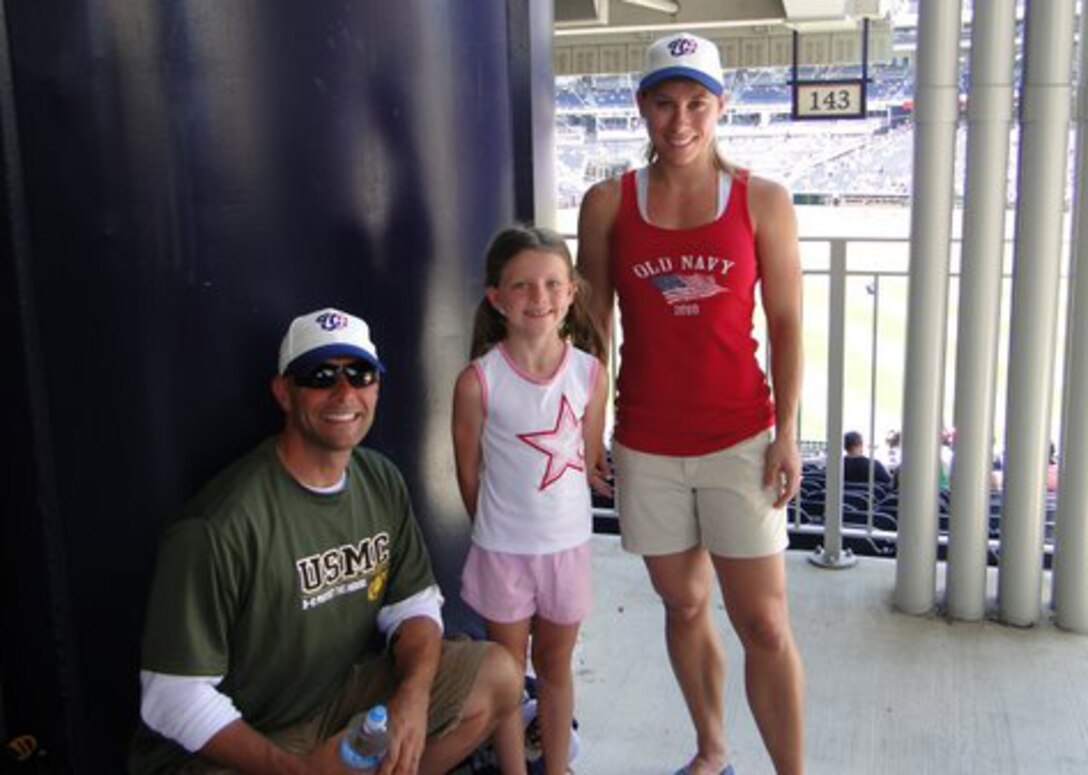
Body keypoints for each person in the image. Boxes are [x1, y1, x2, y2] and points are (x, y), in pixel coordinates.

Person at [129, 307, 523, 774]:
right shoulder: (219, 525)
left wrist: (412, 701)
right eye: (320, 376)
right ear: (284, 392)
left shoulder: (380, 479)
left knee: (498, 676)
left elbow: (413, 603)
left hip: (334, 704)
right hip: (244, 737)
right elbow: (172, 696)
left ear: (376, 386)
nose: (344, 393)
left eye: (360, 374)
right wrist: (296, 771)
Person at [576, 31, 805, 775]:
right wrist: (589, 422)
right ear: (642, 107)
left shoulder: (762, 200)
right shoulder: (607, 203)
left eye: (697, 104)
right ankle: (711, 750)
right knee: (681, 604)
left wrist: (788, 431)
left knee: (765, 622)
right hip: (647, 440)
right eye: (665, 103)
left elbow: (788, 320)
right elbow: (593, 325)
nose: (681, 121)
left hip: (741, 435)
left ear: (721, 107)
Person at [451, 225, 610, 775]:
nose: (537, 298)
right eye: (521, 286)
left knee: (557, 665)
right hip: (503, 553)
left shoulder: (591, 375)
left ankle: (559, 765)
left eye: (551, 284)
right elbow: (468, 475)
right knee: (508, 672)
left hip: (567, 549)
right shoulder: (478, 381)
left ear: (571, 293)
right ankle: (515, 768)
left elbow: (587, 462)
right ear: (495, 298)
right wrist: (498, 528)